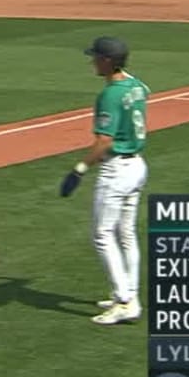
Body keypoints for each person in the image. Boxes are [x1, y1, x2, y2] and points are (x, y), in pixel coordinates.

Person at [60, 36, 150, 326]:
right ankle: (128, 295)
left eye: (96, 57)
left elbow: (104, 141)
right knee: (125, 233)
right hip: (137, 165)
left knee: (102, 234)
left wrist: (79, 169)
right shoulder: (135, 85)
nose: (93, 61)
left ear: (108, 61)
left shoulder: (109, 96)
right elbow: (142, 91)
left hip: (117, 171)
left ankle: (124, 302)